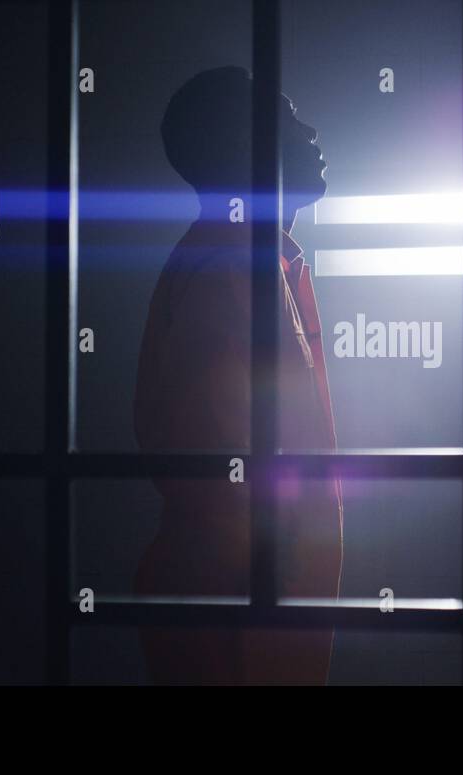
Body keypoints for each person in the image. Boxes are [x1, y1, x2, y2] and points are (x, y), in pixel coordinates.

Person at [132, 67, 342, 684]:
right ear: (244, 147)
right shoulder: (234, 267)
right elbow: (221, 467)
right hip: (240, 623)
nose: (309, 131)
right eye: (286, 118)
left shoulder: (248, 260)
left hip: (249, 612)